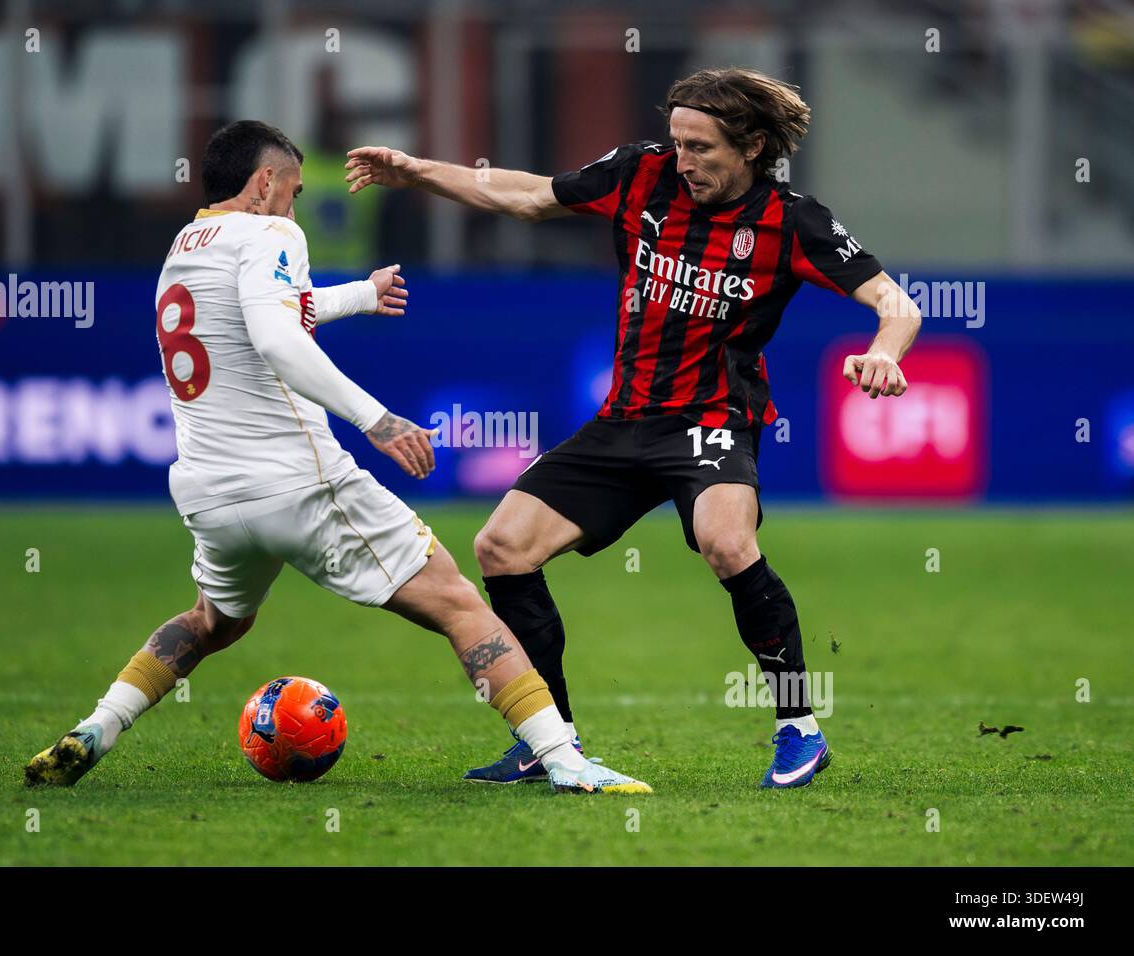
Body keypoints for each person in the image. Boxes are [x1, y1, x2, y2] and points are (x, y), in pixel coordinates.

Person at [24, 120, 650, 795]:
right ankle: (565, 760)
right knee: (460, 605)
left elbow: (269, 311)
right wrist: (374, 420)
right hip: (299, 485)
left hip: (210, 494)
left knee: (212, 621)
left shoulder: (188, 245)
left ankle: (96, 728)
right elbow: (275, 336)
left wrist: (360, 295)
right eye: (293, 193)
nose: (294, 208)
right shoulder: (270, 232)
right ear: (265, 183)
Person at [345, 68, 922, 788]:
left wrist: (883, 352)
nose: (684, 161)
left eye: (702, 147)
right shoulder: (639, 175)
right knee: (501, 548)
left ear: (753, 147)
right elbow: (527, 195)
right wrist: (417, 170)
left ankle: (798, 727)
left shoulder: (792, 219)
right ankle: (549, 740)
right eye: (679, 142)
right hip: (623, 423)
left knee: (726, 541)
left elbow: (896, 303)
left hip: (713, 419)